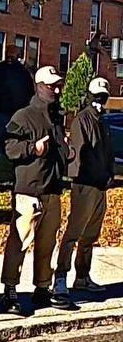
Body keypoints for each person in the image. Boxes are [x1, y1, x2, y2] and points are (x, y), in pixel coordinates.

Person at [0, 66, 77, 315]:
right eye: (52, 86)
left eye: (59, 86)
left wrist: (67, 151)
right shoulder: (24, 116)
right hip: (29, 191)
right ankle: (10, 290)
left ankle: (42, 287)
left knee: (47, 244)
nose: (57, 90)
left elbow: (60, 151)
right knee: (19, 242)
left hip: (53, 189)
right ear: (40, 86)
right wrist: (33, 148)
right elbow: (9, 148)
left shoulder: (56, 117)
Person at [55, 77, 115, 295]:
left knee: (91, 234)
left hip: (100, 185)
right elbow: (80, 155)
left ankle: (82, 276)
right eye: (97, 96)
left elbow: (107, 153)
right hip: (85, 183)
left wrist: (109, 175)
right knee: (74, 232)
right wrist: (88, 177)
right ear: (90, 96)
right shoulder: (82, 120)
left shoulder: (102, 121)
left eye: (103, 96)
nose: (100, 100)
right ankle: (61, 276)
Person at [0, 46, 35, 182]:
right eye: (9, 53)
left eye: (12, 54)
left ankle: (7, 173)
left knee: (9, 142)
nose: (10, 56)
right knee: (0, 142)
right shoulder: (4, 69)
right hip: (5, 112)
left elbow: (30, 93)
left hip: (14, 114)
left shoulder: (21, 72)